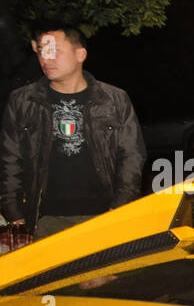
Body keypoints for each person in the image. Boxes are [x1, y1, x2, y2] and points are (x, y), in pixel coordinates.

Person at [0, 24, 145, 239]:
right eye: (41, 50)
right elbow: (9, 160)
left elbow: (132, 158)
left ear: (80, 54)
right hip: (45, 220)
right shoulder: (22, 101)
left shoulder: (114, 99)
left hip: (102, 217)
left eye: (55, 50)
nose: (46, 58)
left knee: (100, 274)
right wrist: (14, 214)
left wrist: (119, 210)